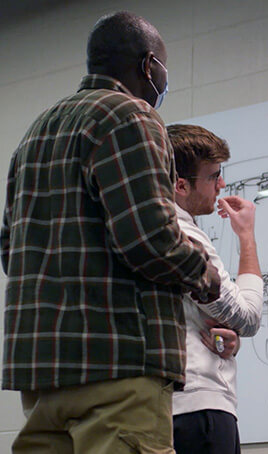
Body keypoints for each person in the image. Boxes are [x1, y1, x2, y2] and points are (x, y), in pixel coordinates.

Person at [0, 11, 221, 453]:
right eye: (162, 65)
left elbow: (11, 249)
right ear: (147, 66)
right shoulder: (131, 117)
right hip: (119, 368)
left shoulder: (36, 132)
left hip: (44, 379)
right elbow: (148, 239)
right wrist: (206, 277)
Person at [168, 124, 263, 454]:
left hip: (175, 406)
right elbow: (248, 317)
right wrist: (247, 237)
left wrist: (228, 337)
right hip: (199, 408)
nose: (221, 185)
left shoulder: (150, 232)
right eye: (213, 176)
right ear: (181, 185)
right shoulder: (185, 237)